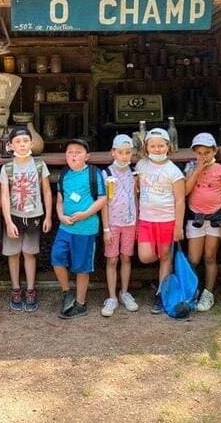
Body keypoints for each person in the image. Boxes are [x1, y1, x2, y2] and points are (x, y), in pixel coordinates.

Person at [0, 126, 53, 312]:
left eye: (25, 141)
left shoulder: (39, 165)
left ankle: (30, 289)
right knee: (13, 254)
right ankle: (16, 288)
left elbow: (46, 191)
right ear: (10, 145)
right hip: (14, 215)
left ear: (31, 143)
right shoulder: (7, 168)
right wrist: (7, 221)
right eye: (17, 142)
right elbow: (4, 196)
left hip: (34, 215)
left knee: (30, 253)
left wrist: (48, 215)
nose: (22, 145)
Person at [53, 138, 107, 319]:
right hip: (65, 227)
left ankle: (80, 303)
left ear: (87, 156)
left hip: (86, 228)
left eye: (78, 152)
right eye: (70, 152)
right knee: (57, 258)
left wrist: (85, 214)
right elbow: (60, 200)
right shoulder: (63, 175)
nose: (73, 155)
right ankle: (67, 292)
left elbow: (102, 199)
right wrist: (60, 215)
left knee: (82, 266)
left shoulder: (94, 173)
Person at [136, 128, 186, 314]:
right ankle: (161, 277)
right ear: (146, 147)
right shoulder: (141, 165)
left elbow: (180, 200)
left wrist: (178, 226)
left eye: (160, 145)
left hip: (167, 219)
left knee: (165, 257)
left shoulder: (174, 171)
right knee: (145, 256)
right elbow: (137, 189)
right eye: (152, 146)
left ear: (168, 146)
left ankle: (161, 293)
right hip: (146, 219)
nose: (157, 149)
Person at [184, 133, 221, 311]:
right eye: (199, 152)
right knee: (193, 258)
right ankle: (191, 289)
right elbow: (185, 192)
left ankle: (208, 292)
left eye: (206, 152)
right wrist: (197, 170)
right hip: (195, 217)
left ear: (214, 151)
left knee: (210, 256)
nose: (203, 156)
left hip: (215, 219)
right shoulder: (191, 168)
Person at [100, 135, 139, 317]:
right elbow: (104, 203)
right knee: (112, 259)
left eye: (127, 153)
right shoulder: (106, 174)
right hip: (113, 223)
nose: (124, 156)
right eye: (120, 152)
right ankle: (112, 296)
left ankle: (125, 292)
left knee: (126, 257)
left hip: (130, 222)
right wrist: (106, 228)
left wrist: (138, 223)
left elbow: (137, 198)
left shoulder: (134, 173)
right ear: (113, 152)